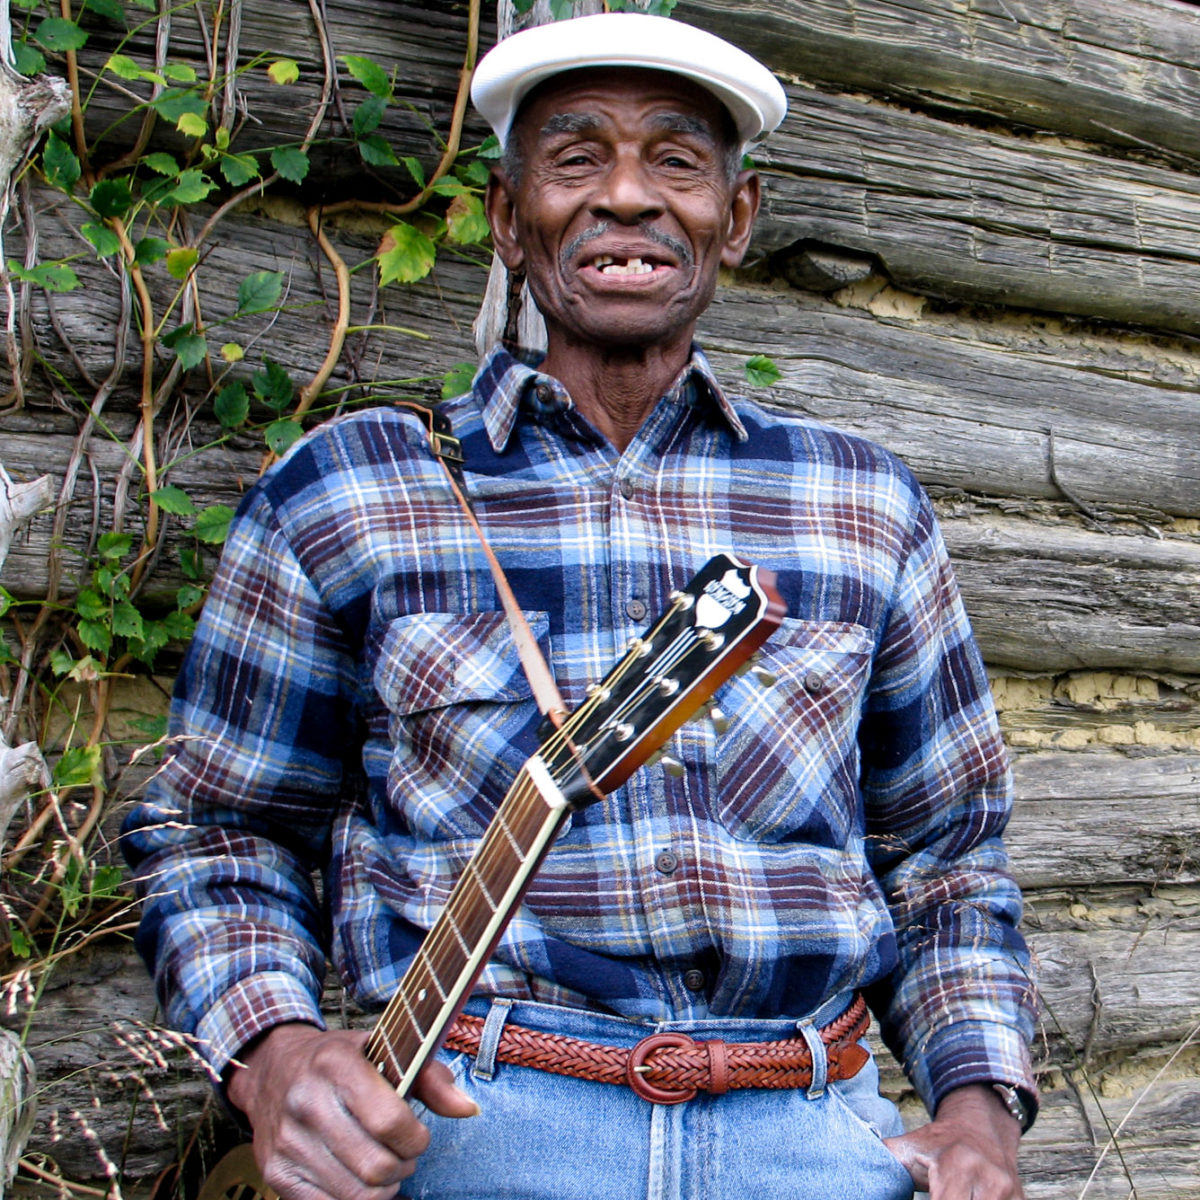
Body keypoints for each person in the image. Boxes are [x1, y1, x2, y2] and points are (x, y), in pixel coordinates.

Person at [124, 13, 1037, 1200]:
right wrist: (276, 1052)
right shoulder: (351, 489)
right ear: (509, 220)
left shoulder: (858, 501)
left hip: (815, 1136)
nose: (626, 197)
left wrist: (979, 1113)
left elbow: (950, 856)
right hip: (468, 1126)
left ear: (737, 218)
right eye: (573, 159)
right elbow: (212, 830)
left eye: (675, 161)